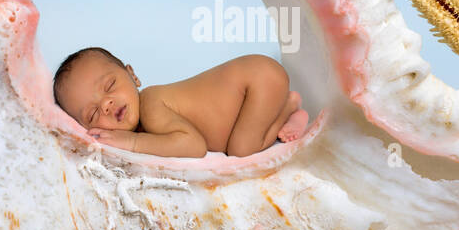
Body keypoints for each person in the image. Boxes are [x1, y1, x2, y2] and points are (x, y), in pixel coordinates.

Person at [53, 47, 309, 158]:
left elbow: (193, 145)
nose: (107, 104)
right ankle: (283, 104)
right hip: (253, 86)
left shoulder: (152, 103)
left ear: (132, 75)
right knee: (241, 142)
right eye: (93, 112)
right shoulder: (148, 122)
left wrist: (131, 142)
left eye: (109, 86)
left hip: (256, 82)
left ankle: (287, 106)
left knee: (242, 149)